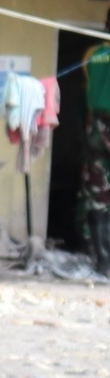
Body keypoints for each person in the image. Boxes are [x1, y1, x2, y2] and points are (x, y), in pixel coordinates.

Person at [82, 18, 110, 274]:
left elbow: (88, 81)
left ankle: (104, 263)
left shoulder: (93, 54)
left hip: (97, 127)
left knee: (99, 195)